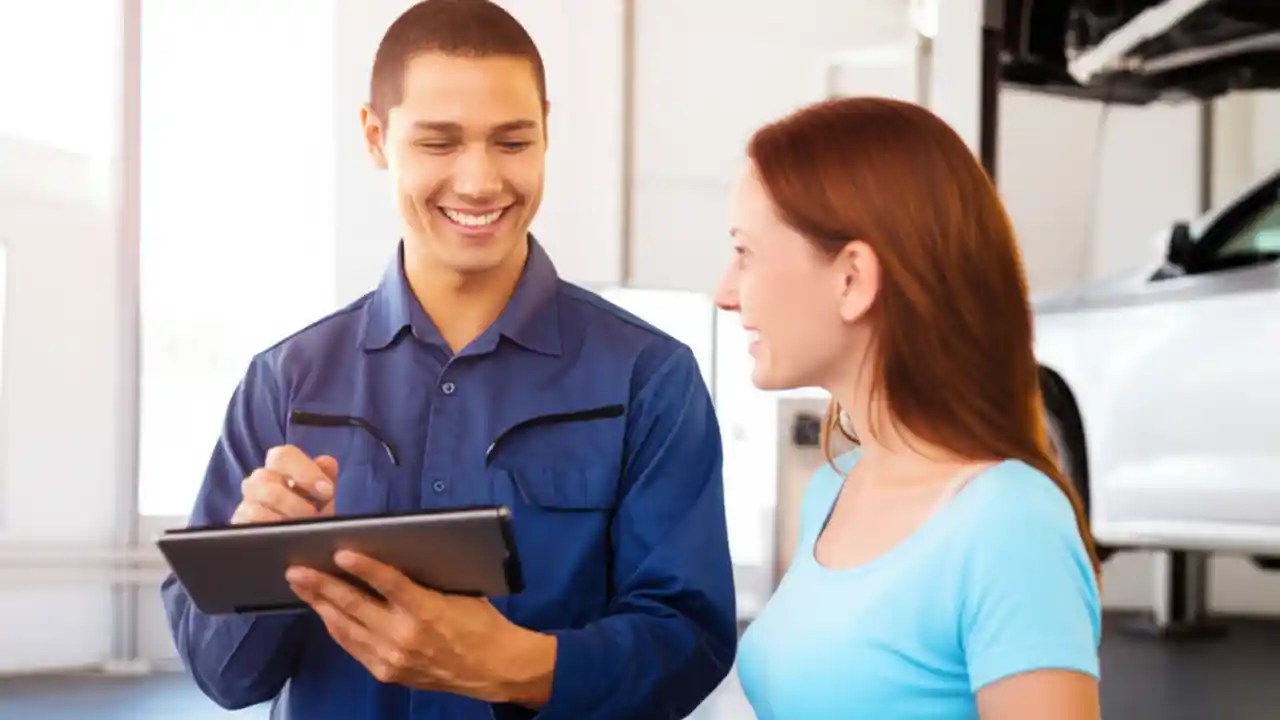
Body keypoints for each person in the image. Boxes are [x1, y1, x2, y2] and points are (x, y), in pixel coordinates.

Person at [160, 1, 736, 717]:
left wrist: (515, 667)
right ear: (375, 136)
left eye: (512, 142)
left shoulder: (649, 379)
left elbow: (692, 643)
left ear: (548, 130)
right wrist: (261, 558)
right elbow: (225, 678)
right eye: (439, 143)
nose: (480, 182)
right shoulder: (286, 382)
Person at [717, 97, 1103, 719]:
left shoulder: (1011, 524)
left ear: (852, 279)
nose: (725, 293)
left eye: (746, 253)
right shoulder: (833, 493)